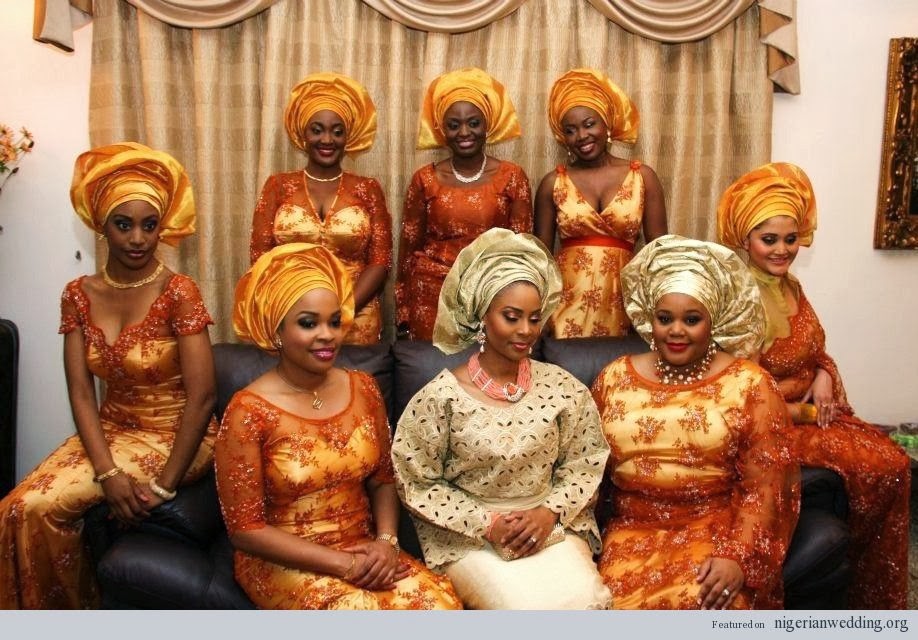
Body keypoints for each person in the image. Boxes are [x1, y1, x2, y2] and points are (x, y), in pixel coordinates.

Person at [0, 142, 217, 609]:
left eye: (149, 225)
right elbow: (81, 392)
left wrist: (164, 485)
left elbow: (202, 399)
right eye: (124, 225)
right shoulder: (78, 294)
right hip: (112, 430)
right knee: (15, 507)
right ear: (102, 227)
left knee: (41, 506)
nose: (138, 238)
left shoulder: (179, 291)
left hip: (178, 434)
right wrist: (107, 471)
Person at [216, 243, 461, 609]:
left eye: (334, 321)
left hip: (365, 549)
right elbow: (246, 531)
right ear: (277, 329)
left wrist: (387, 542)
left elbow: (383, 479)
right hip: (284, 562)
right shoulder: (247, 411)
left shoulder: (363, 388)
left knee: (439, 608)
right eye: (308, 323)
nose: (328, 335)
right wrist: (345, 565)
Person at [716, 162, 911, 609]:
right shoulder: (740, 299)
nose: (783, 249)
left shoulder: (792, 287)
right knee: (883, 468)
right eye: (770, 240)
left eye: (790, 238)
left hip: (811, 414)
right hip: (774, 426)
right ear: (744, 240)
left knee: (892, 461)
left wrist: (823, 374)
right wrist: (806, 408)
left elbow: (813, 348)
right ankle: (866, 591)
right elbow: (740, 395)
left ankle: (865, 587)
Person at [391, 228, 611, 609]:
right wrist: (486, 522)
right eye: (512, 317)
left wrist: (549, 511)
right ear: (482, 316)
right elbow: (416, 481)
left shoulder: (563, 388)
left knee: (589, 601)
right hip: (471, 538)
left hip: (551, 527)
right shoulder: (441, 398)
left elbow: (585, 461)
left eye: (534, 318)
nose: (526, 331)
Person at [592, 235, 799, 610]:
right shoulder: (613, 378)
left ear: (713, 321)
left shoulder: (750, 383)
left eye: (692, 319)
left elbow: (768, 486)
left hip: (715, 534)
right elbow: (587, 470)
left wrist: (738, 556)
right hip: (631, 533)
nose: (676, 331)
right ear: (648, 318)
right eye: (664, 318)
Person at [250, 72, 391, 345]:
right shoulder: (278, 186)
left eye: (337, 132)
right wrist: (292, 305)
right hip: (293, 314)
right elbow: (260, 257)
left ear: (347, 137)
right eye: (317, 130)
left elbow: (380, 262)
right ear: (303, 133)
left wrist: (343, 309)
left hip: (356, 317)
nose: (327, 139)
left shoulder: (368, 188)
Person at [395, 67, 533, 341]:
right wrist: (403, 308)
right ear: (441, 129)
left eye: (473, 122)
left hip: (492, 296)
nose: (464, 132)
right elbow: (408, 251)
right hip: (431, 297)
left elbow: (522, 250)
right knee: (434, 376)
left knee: (485, 377)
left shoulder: (512, 177)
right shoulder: (424, 179)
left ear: (488, 125)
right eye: (454, 125)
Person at [534, 68, 667, 338]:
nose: (581, 136)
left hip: (623, 300)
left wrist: (654, 308)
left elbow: (660, 253)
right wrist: (539, 313)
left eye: (589, 124)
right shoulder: (552, 182)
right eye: (570, 130)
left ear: (607, 123)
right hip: (565, 302)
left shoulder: (642, 176)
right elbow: (539, 258)